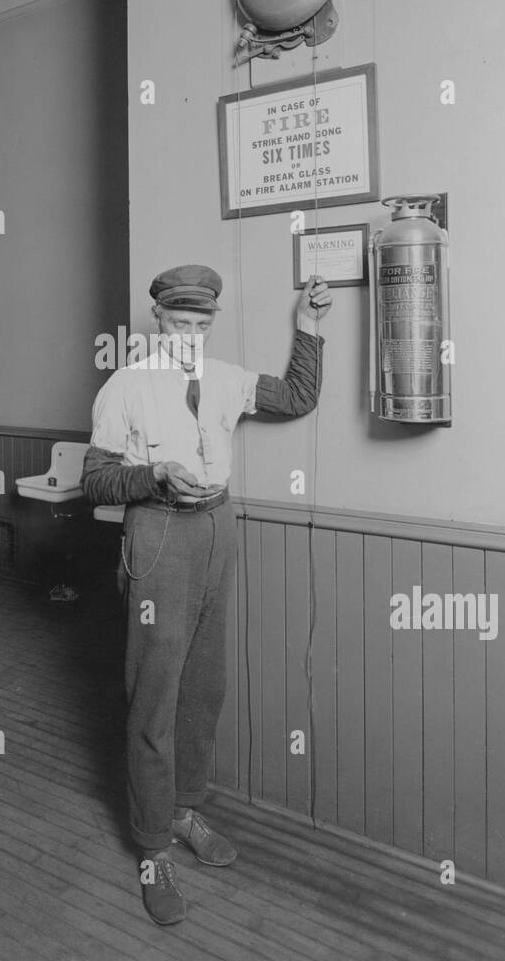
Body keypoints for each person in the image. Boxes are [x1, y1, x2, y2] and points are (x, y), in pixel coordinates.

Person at [81, 264, 332, 924]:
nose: (189, 335)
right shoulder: (126, 386)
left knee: (205, 686)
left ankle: (184, 809)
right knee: (156, 691)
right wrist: (152, 474)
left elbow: (299, 395)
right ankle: (152, 846)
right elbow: (96, 480)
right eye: (178, 323)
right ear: (158, 322)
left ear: (209, 324)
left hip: (219, 527)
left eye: (200, 324)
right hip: (159, 532)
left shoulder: (226, 379)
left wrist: (308, 326)